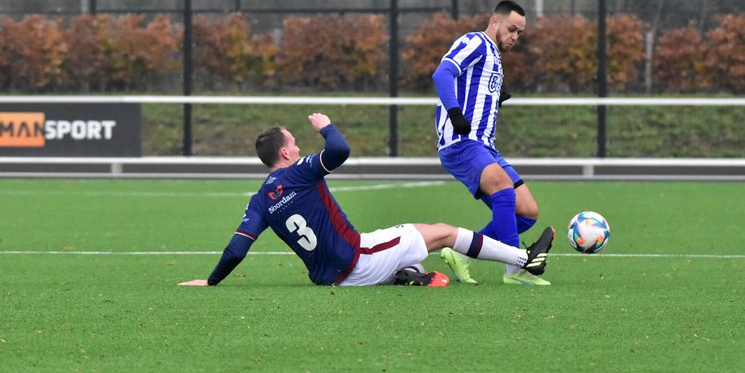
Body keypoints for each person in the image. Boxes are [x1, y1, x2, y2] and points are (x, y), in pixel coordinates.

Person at [178, 113, 554, 288]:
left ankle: (405, 275)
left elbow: (236, 250)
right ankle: (524, 260)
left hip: (328, 277)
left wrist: (211, 281)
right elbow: (339, 149)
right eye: (294, 142)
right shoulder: (300, 171)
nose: (299, 146)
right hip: (357, 261)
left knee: (414, 236)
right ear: (285, 153)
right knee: (442, 232)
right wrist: (325, 126)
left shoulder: (260, 199)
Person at [432, 0, 555, 286]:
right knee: (502, 187)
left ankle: (461, 253)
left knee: (527, 211)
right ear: (495, 21)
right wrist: (454, 113)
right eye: (512, 29)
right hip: (461, 142)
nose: (515, 37)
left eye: (519, 33)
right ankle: (516, 267)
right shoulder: (475, 42)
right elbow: (442, 73)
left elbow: (474, 92)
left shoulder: (495, 58)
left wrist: (494, 100)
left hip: (485, 146)